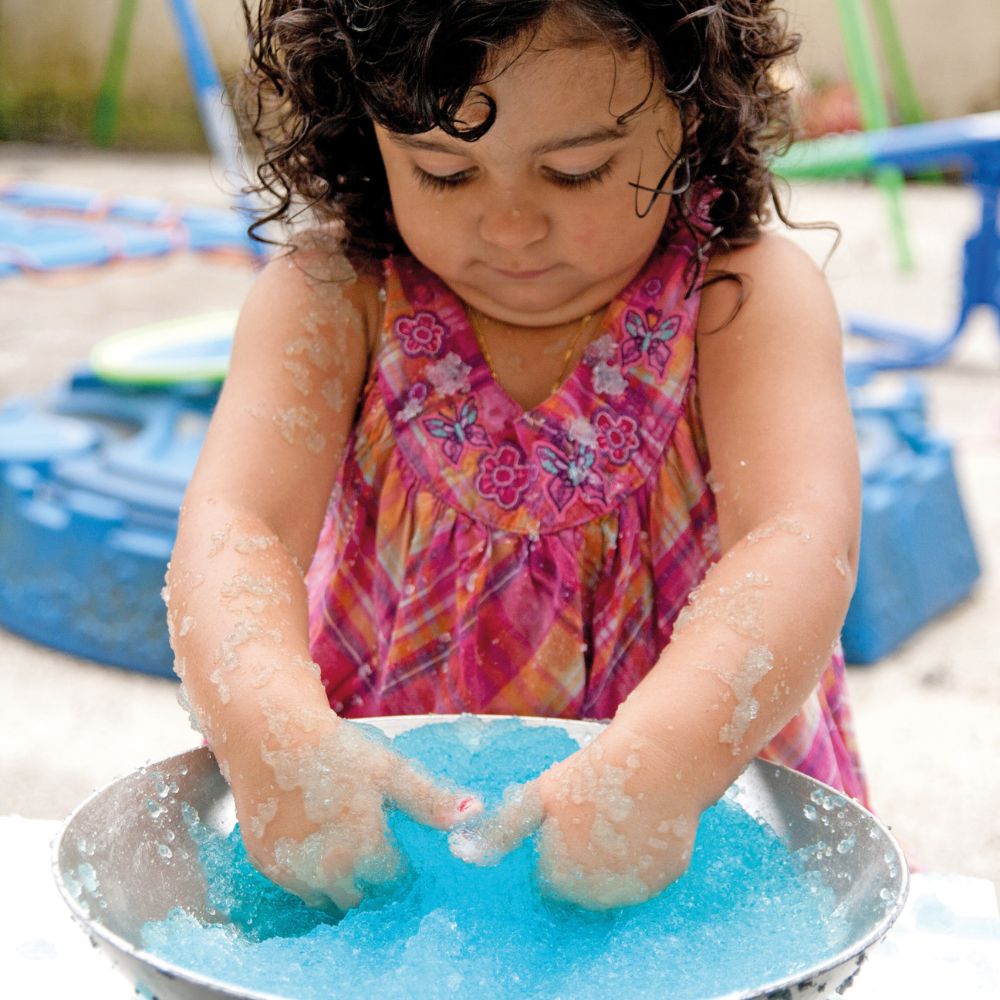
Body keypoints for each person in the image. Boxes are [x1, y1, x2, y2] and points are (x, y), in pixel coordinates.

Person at [165, 0, 869, 913]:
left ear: (690, 114)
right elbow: (238, 525)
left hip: (695, 797)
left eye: (575, 173)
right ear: (363, 127)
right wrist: (272, 732)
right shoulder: (337, 297)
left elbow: (797, 538)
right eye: (443, 173)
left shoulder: (741, 298)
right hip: (391, 802)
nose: (508, 228)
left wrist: (662, 763)